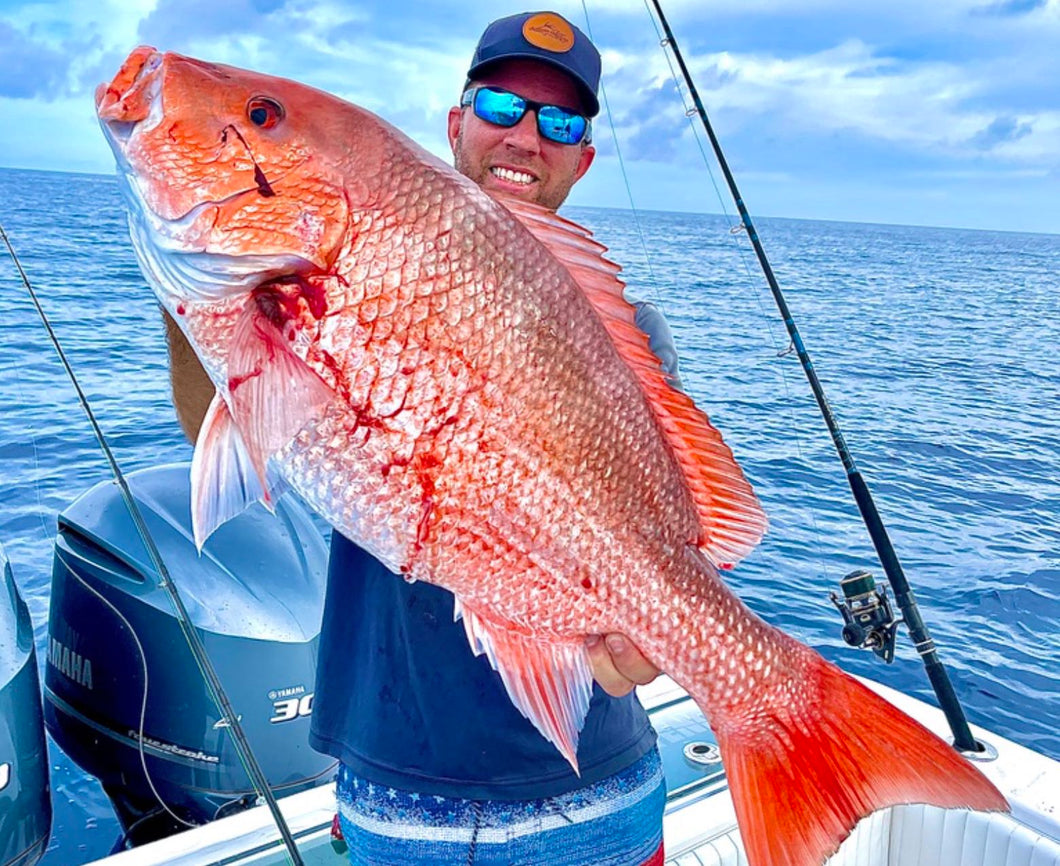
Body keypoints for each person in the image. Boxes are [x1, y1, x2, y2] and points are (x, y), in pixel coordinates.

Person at [165, 11, 682, 865]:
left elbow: (660, 549)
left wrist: (648, 641)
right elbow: (218, 426)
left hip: (597, 793)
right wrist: (207, 287)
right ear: (456, 122)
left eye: (560, 121)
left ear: (583, 159)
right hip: (395, 795)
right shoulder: (336, 269)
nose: (526, 135)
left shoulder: (624, 334)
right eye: (502, 106)